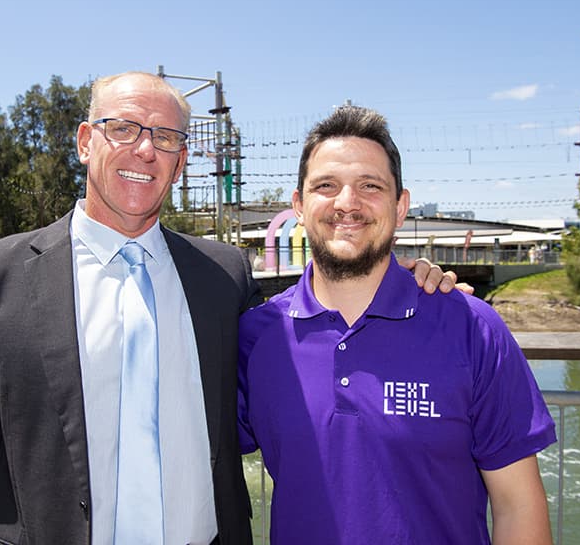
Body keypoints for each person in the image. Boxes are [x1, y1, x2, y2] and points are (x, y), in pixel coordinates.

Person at [0, 71, 460, 545]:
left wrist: (400, 276)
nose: (145, 150)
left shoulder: (224, 277)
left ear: (180, 163)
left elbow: (310, 326)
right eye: (123, 129)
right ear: (86, 141)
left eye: (167, 137)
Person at [237, 105, 557, 544]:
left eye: (370, 186)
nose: (347, 203)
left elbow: (517, 504)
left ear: (400, 206)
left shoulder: (473, 329)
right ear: (299, 205)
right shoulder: (256, 335)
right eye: (326, 186)